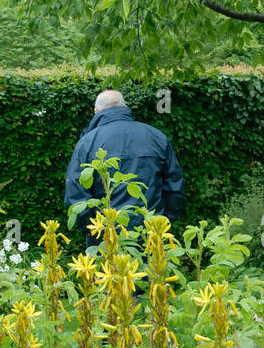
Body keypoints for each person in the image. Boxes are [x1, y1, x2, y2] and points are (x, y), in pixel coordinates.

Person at [64, 89, 185, 238]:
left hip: (106, 234)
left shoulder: (88, 142)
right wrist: (165, 221)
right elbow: (174, 186)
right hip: (151, 230)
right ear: (125, 106)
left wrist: (92, 229)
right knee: (153, 262)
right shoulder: (156, 137)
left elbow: (76, 193)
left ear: (96, 111)